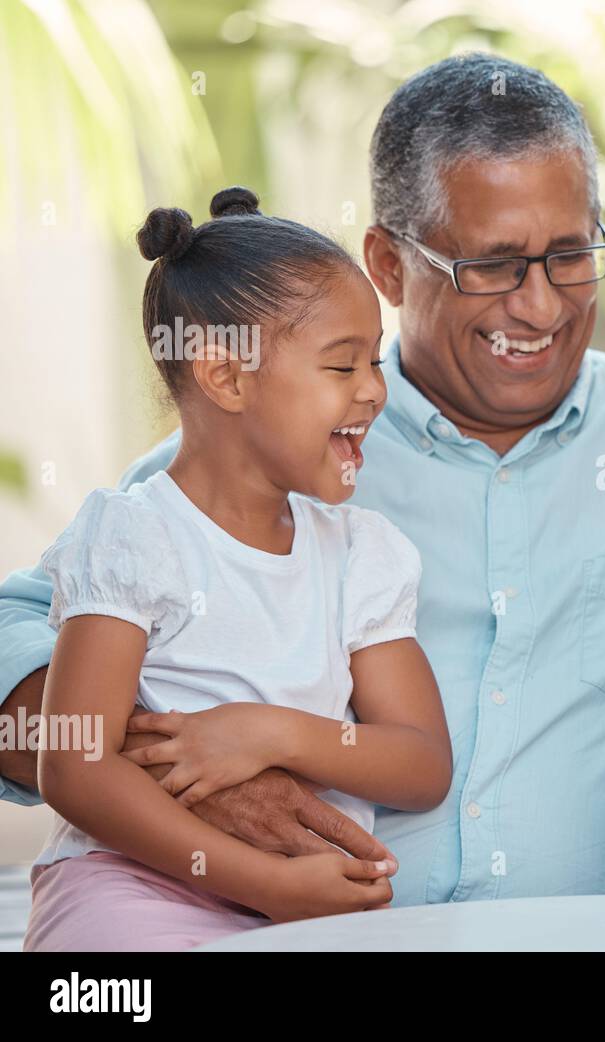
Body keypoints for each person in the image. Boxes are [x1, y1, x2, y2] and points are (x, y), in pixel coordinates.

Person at [0, 54, 605, 908]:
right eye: (494, 265)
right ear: (390, 266)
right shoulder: (263, 453)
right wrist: (182, 774)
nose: (542, 307)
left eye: (570, 256)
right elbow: (15, 635)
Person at [22, 188, 453, 951]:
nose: (374, 389)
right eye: (341, 364)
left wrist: (269, 733)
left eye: (375, 361)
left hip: (313, 898)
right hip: (136, 888)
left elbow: (420, 760)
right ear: (227, 378)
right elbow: (74, 763)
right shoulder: (133, 535)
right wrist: (263, 884)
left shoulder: (359, 554)